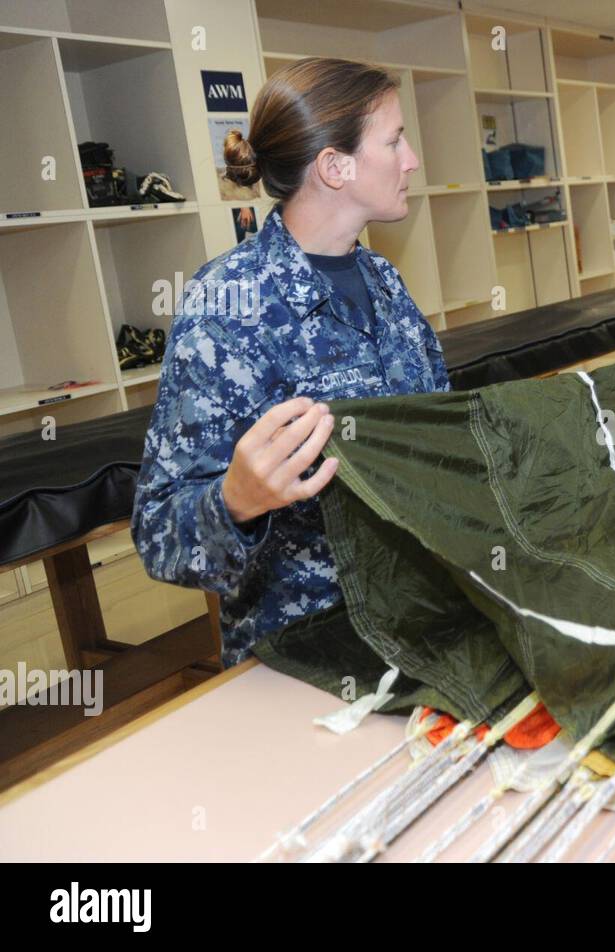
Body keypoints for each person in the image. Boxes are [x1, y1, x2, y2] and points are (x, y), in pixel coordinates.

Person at [132, 58, 450, 667]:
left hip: (421, 634)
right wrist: (236, 501)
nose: (410, 159)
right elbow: (157, 534)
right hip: (305, 665)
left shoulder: (383, 282)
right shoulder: (227, 307)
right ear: (336, 167)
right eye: (394, 140)